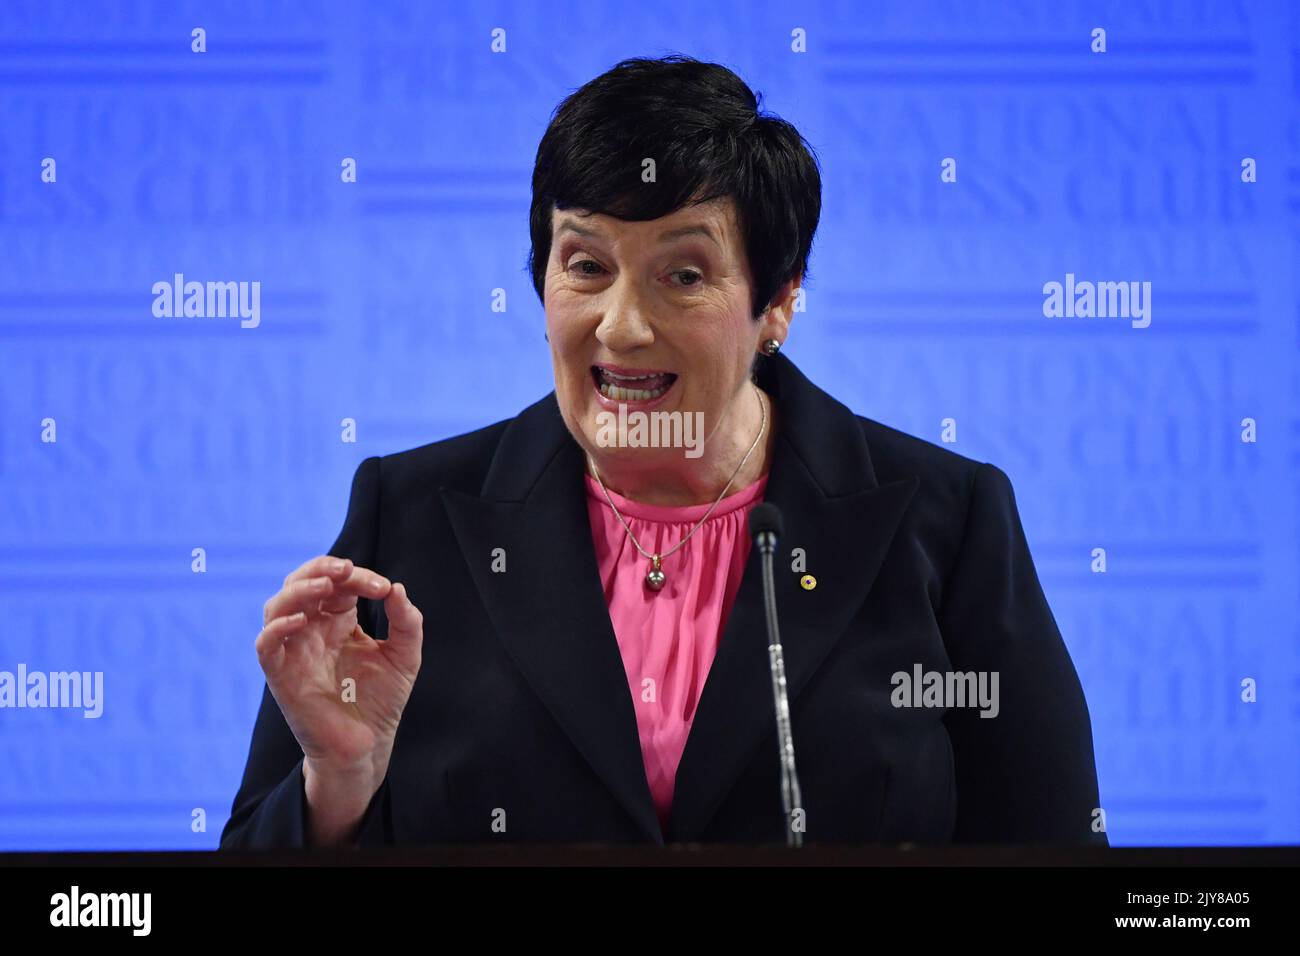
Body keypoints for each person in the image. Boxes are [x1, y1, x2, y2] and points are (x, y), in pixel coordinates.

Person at [220, 55, 1106, 849]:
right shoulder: (408, 519)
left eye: (683, 275)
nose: (622, 325)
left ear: (778, 305)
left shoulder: (944, 524)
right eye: (586, 266)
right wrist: (337, 784)